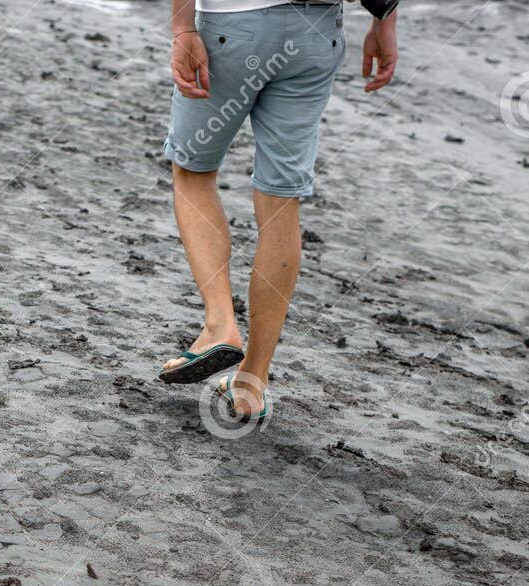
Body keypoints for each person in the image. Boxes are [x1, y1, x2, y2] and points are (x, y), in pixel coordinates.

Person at [159, 0, 399, 423]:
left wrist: (182, 29)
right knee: (281, 200)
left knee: (193, 173)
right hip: (316, 33)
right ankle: (252, 381)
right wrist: (384, 21)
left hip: (234, 26)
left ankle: (220, 323)